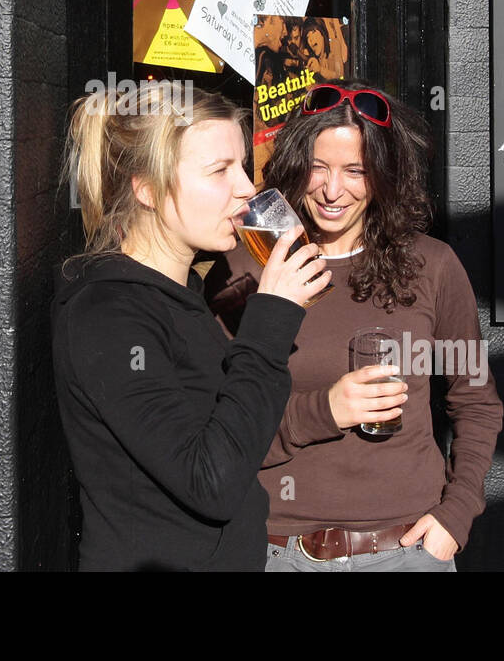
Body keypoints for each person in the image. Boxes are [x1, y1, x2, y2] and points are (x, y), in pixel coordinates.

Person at [206, 79, 503, 571]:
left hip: (405, 551)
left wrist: (457, 514)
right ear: (296, 165)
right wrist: (326, 409)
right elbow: (218, 430)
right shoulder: (244, 270)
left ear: (383, 176)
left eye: (355, 171)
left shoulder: (433, 266)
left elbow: (476, 400)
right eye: (317, 168)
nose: (332, 190)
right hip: (274, 549)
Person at [52, 81, 331, 570]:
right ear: (147, 189)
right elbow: (212, 484)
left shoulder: (180, 298)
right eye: (220, 170)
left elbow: (232, 440)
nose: (247, 187)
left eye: (241, 166)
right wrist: (268, 324)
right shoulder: (108, 314)